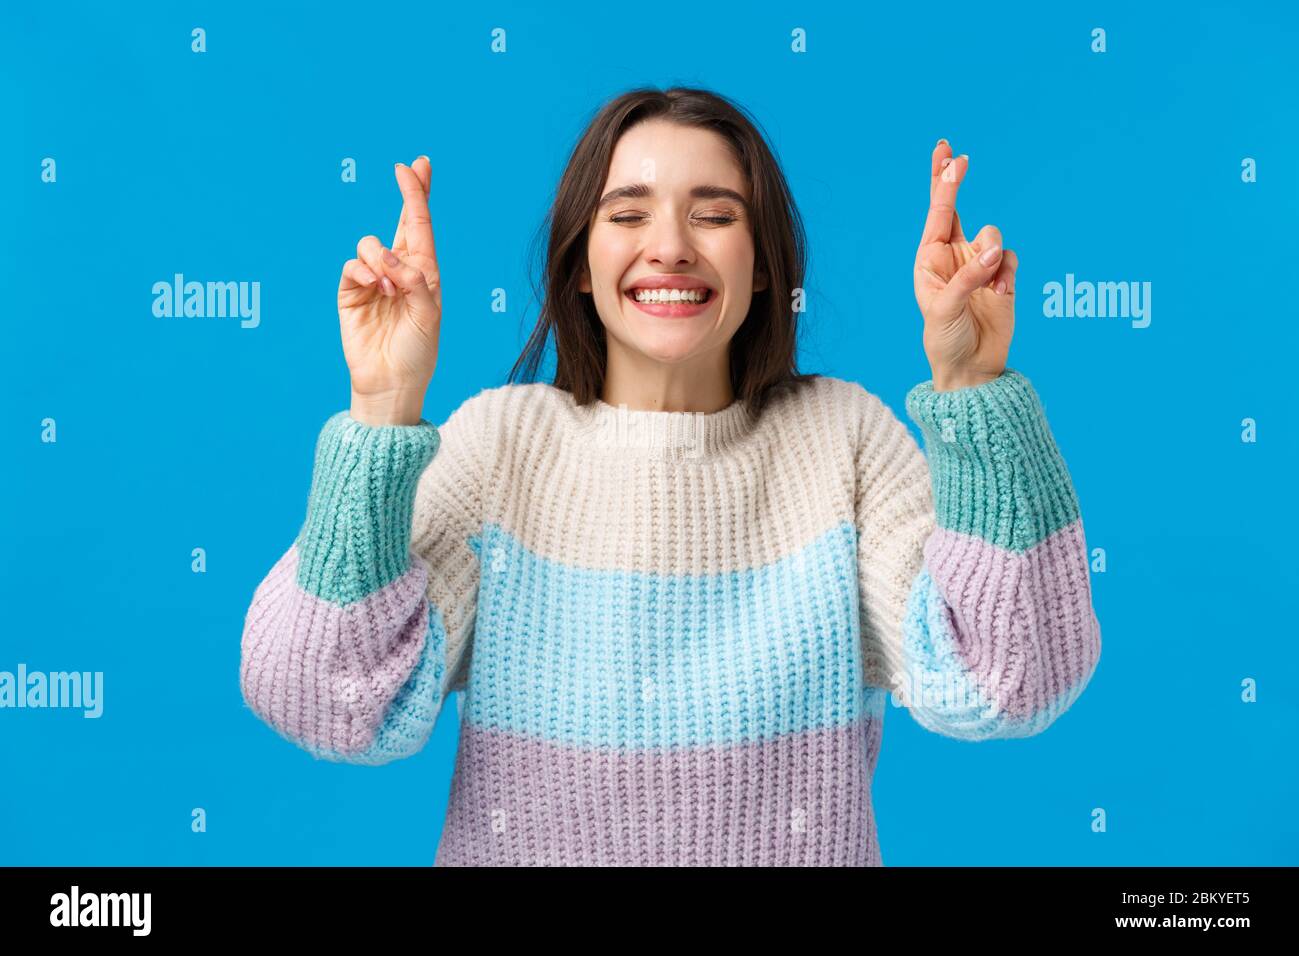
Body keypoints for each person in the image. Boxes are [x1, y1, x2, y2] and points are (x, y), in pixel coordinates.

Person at [239, 86, 1102, 866]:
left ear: (763, 264)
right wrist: (383, 406)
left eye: (715, 216)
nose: (670, 248)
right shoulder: (500, 448)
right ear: (580, 262)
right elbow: (323, 701)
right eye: (627, 214)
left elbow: (1012, 681)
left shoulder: (845, 441)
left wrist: (975, 387)